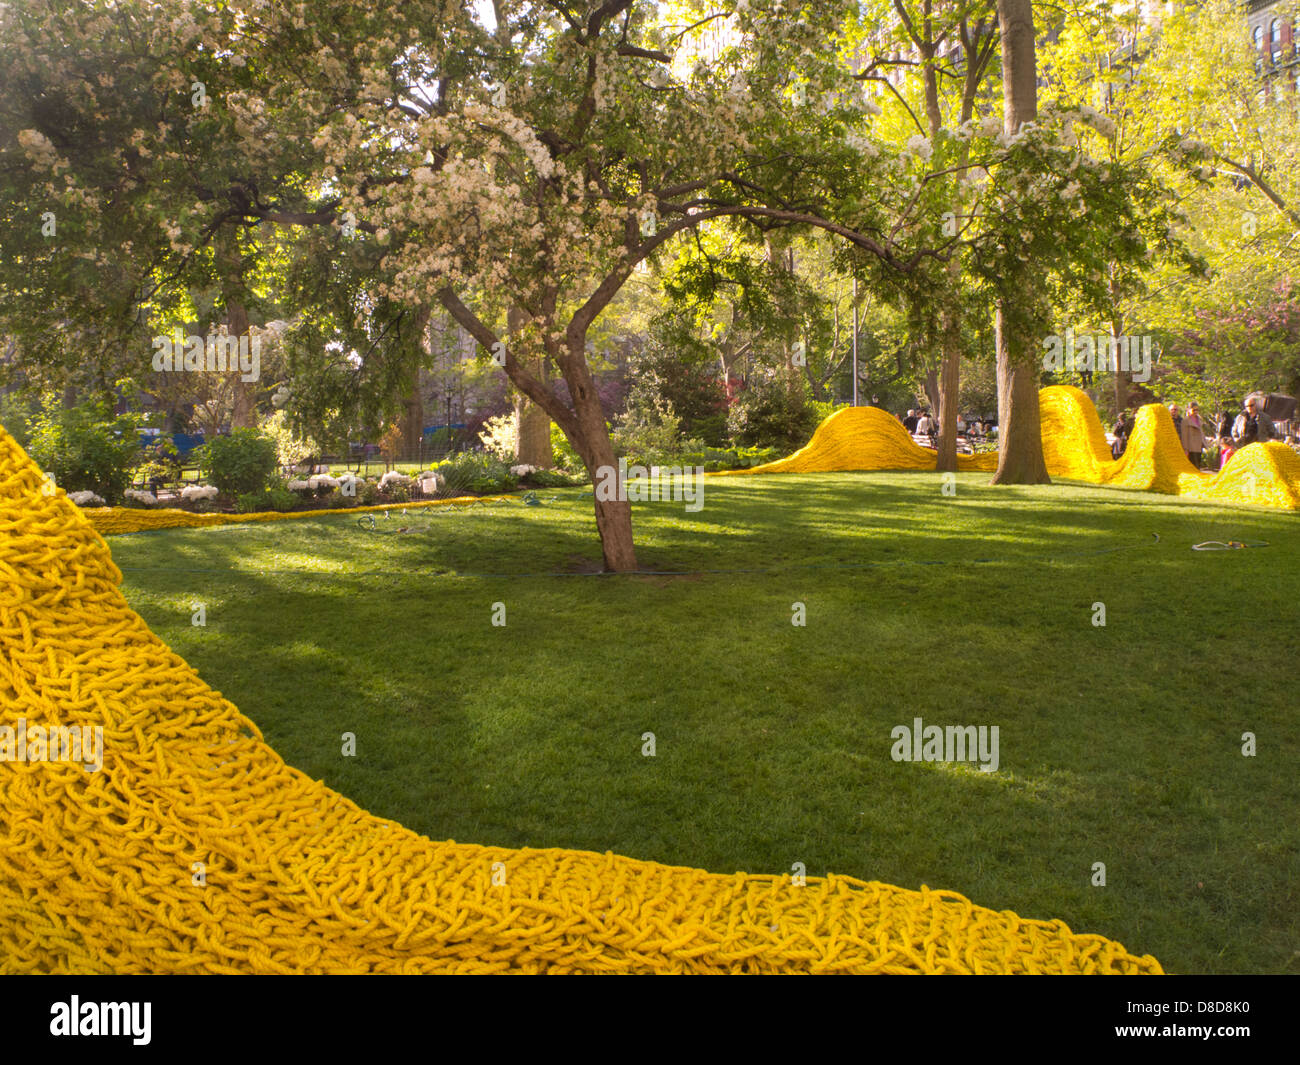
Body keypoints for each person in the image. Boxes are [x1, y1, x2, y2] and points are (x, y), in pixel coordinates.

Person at [1180, 402, 1206, 468]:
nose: (1195, 411)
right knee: (1193, 467)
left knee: (1198, 466)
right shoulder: (1185, 420)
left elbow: (1202, 433)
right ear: (1188, 409)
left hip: (1199, 447)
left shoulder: (1200, 419)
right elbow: (1184, 436)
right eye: (1193, 410)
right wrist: (1185, 449)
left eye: (1197, 410)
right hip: (1191, 448)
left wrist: (1204, 444)